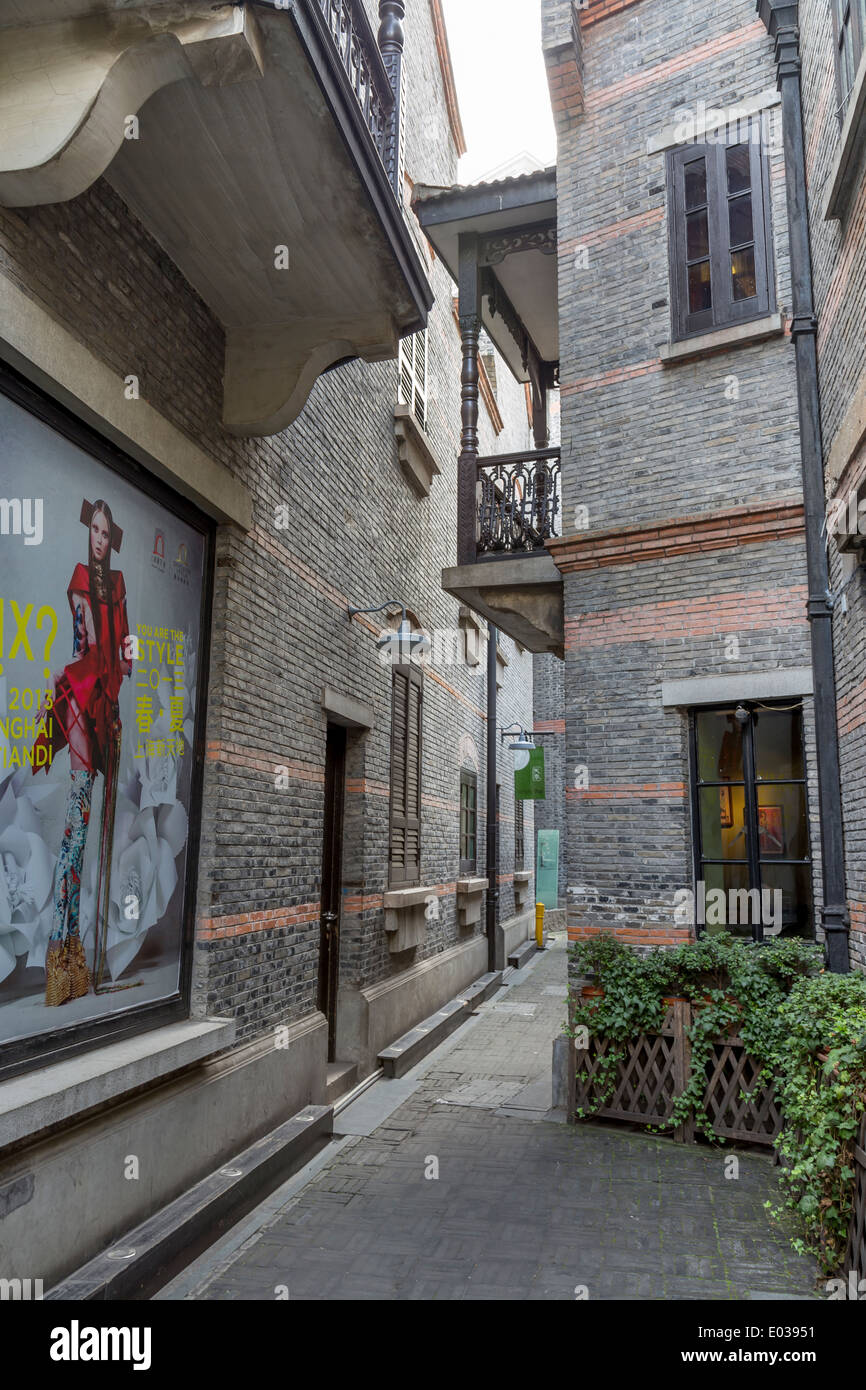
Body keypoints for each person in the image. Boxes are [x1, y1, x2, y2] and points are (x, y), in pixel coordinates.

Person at [34, 499, 131, 1006]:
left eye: (104, 532)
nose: (97, 538)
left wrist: (128, 659)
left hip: (107, 706)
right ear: (87, 533)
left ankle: (76, 960)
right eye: (93, 529)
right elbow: (84, 634)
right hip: (83, 697)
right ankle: (61, 957)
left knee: (87, 830)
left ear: (110, 538)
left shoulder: (117, 586)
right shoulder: (80, 577)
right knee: (75, 831)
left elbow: (128, 648)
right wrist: (80, 665)